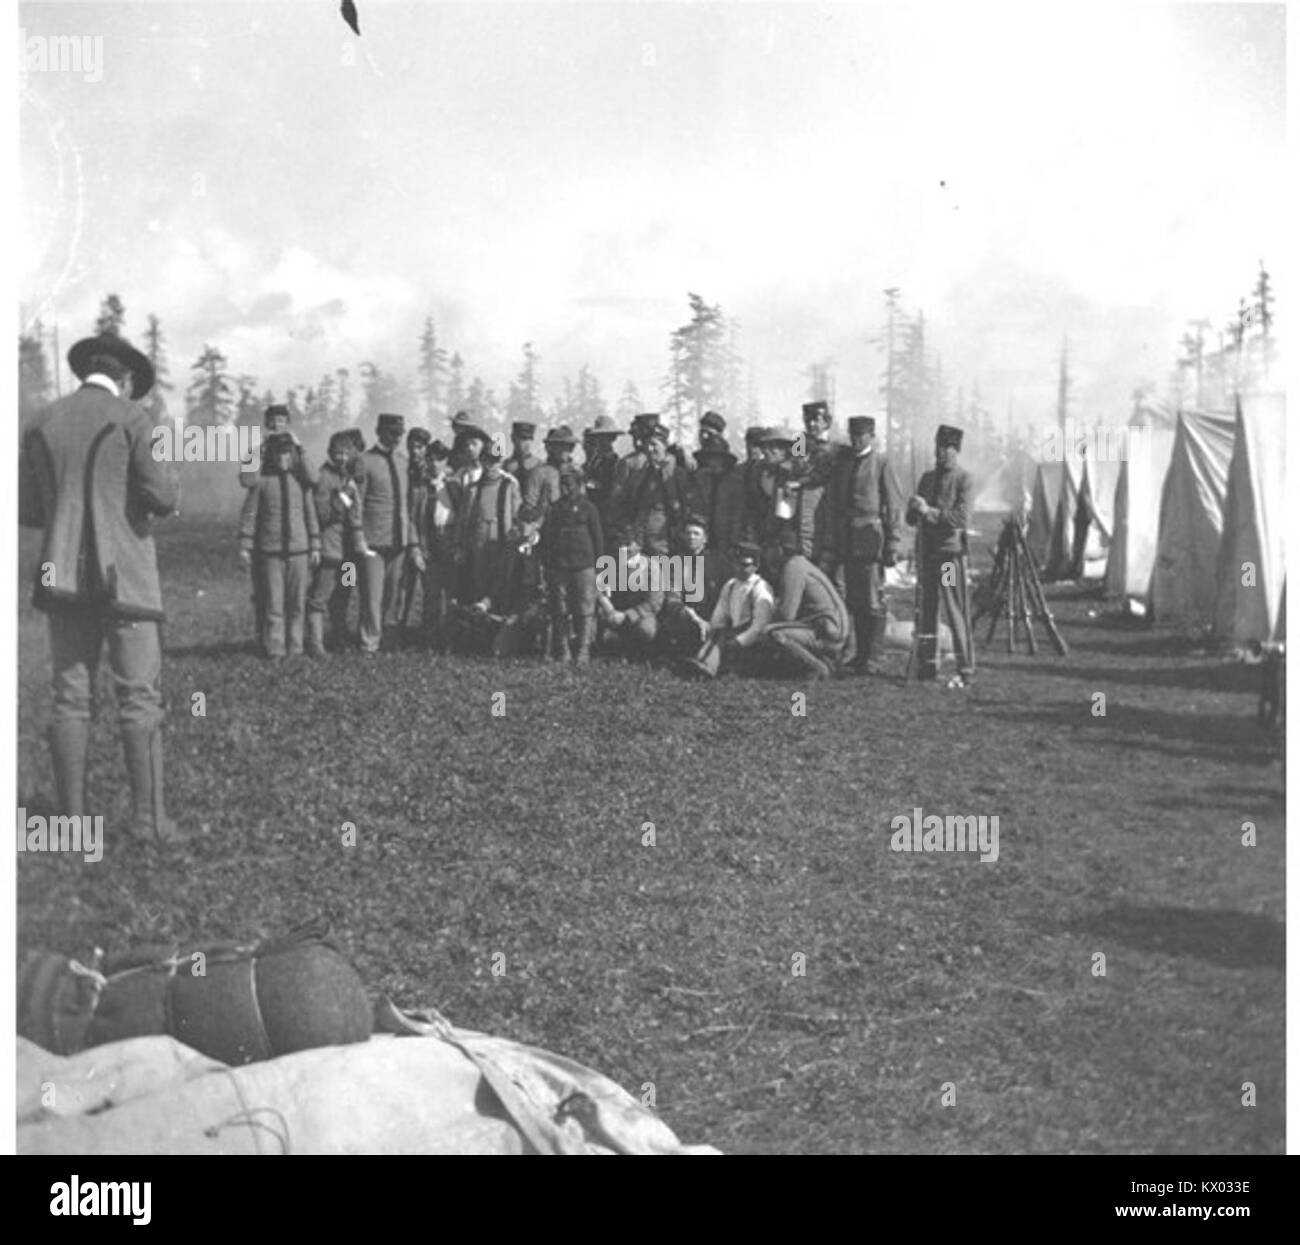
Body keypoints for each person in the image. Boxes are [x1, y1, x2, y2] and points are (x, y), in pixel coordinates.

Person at [19, 332, 183, 842]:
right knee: (139, 697)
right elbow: (161, 496)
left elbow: (26, 510)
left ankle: (70, 826)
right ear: (126, 378)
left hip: (62, 576)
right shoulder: (134, 419)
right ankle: (149, 822)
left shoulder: (41, 421)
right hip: (125, 579)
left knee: (70, 697)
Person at [823, 415, 903, 673]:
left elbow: (893, 506)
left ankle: (874, 657)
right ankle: (859, 654)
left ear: (872, 436)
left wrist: (893, 543)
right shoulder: (844, 462)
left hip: (870, 538)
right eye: (853, 436)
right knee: (853, 599)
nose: (857, 440)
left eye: (862, 436)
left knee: (872, 600)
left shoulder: (881, 463)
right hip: (846, 537)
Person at [239, 433, 322, 658]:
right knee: (274, 605)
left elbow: (310, 514)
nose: (283, 458)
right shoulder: (262, 482)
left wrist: (315, 545)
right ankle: (275, 649)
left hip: (300, 550)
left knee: (297, 604)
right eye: (278, 453)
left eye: (287, 452)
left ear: (292, 454)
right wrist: (245, 545)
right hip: (270, 551)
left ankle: (295, 649)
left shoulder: (301, 482)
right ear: (271, 455)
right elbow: (250, 513)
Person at [906, 424, 975, 687]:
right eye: (939, 447)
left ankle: (965, 668)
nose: (942, 453)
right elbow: (912, 520)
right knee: (927, 610)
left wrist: (928, 512)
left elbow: (960, 518)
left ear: (957, 451)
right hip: (927, 555)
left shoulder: (964, 480)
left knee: (955, 610)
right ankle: (927, 665)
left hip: (949, 556)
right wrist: (914, 509)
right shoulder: (926, 479)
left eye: (948, 448)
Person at [357, 413, 423, 654]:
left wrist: (412, 542)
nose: (396, 438)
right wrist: (358, 538)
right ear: (379, 431)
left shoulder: (404, 462)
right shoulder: (364, 461)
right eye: (391, 433)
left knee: (393, 595)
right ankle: (369, 643)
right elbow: (356, 503)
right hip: (372, 540)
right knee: (372, 596)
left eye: (399, 434)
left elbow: (408, 507)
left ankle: (388, 641)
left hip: (399, 540)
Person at [307, 430, 368, 655]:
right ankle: (315, 644)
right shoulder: (323, 477)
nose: (342, 457)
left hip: (348, 553)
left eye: (346, 453)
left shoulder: (347, 476)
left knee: (344, 594)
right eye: (338, 453)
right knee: (320, 596)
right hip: (330, 550)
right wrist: (343, 496)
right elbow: (323, 514)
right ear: (329, 453)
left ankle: (339, 639)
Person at [765, 529, 854, 679]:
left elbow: (787, 614)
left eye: (769, 548)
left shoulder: (793, 567)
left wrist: (768, 614)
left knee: (772, 633)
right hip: (832, 630)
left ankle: (816, 667)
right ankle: (826, 660)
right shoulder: (801, 564)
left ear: (780, 549)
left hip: (828, 632)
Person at [680, 541, 775, 678]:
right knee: (717, 635)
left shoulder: (760, 587)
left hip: (752, 638)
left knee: (726, 643)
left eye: (744, 565)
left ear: (756, 566)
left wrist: (739, 641)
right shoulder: (730, 585)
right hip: (733, 632)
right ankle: (702, 662)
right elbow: (720, 614)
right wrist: (711, 629)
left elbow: (759, 625)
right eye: (736, 564)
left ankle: (708, 666)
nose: (739, 569)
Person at [538, 467, 604, 662]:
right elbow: (547, 538)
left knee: (585, 607)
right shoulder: (555, 509)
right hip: (559, 566)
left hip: (584, 565)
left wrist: (600, 567)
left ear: (580, 485)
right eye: (563, 484)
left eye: (570, 484)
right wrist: (547, 563)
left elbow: (598, 539)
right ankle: (563, 649)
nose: (565, 488)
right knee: (560, 608)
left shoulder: (589, 508)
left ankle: (584, 649)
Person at [455, 439, 523, 612]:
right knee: (479, 587)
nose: (492, 465)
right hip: (478, 548)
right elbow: (464, 521)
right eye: (488, 460)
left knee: (502, 589)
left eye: (496, 461)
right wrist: (460, 546)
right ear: (482, 461)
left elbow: (518, 516)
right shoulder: (473, 489)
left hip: (503, 546)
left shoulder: (510, 486)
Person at [658, 515, 727, 656]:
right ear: (682, 536)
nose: (692, 537)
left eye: (696, 533)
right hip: (687, 617)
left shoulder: (719, 562)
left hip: (715, 618)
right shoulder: (675, 562)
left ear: (705, 538)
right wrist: (693, 617)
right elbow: (672, 598)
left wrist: (714, 621)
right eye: (688, 533)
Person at [595, 527, 666, 659]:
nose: (623, 549)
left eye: (627, 544)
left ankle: (637, 652)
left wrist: (627, 616)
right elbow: (597, 588)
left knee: (646, 630)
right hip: (614, 611)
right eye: (620, 544)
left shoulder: (651, 566)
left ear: (639, 546)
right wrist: (608, 607)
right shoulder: (610, 562)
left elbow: (654, 601)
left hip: (640, 614)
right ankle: (600, 648)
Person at [617, 423, 687, 556]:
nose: (649, 449)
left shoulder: (677, 473)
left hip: (665, 540)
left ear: (665, 446)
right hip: (639, 539)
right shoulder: (639, 473)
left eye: (654, 445)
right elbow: (625, 503)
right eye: (647, 445)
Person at [420, 441, 461, 651]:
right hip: (432, 541)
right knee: (431, 595)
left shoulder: (454, 485)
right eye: (432, 459)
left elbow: (462, 514)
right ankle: (429, 640)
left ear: (446, 462)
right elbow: (417, 518)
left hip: (451, 539)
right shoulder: (422, 487)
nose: (435, 464)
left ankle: (450, 641)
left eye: (440, 459)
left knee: (452, 595)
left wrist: (458, 544)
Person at [395, 427, 432, 627]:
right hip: (407, 535)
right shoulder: (402, 468)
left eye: (419, 447)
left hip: (428, 537)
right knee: (403, 585)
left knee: (429, 588)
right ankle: (398, 626)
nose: (414, 451)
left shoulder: (431, 471)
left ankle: (427, 630)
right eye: (411, 446)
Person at [581, 414, 622, 533]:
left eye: (604, 437)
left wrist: (588, 484)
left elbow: (611, 489)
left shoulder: (614, 462)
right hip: (593, 511)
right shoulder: (594, 461)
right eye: (597, 437)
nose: (599, 441)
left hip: (606, 513)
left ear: (612, 439)